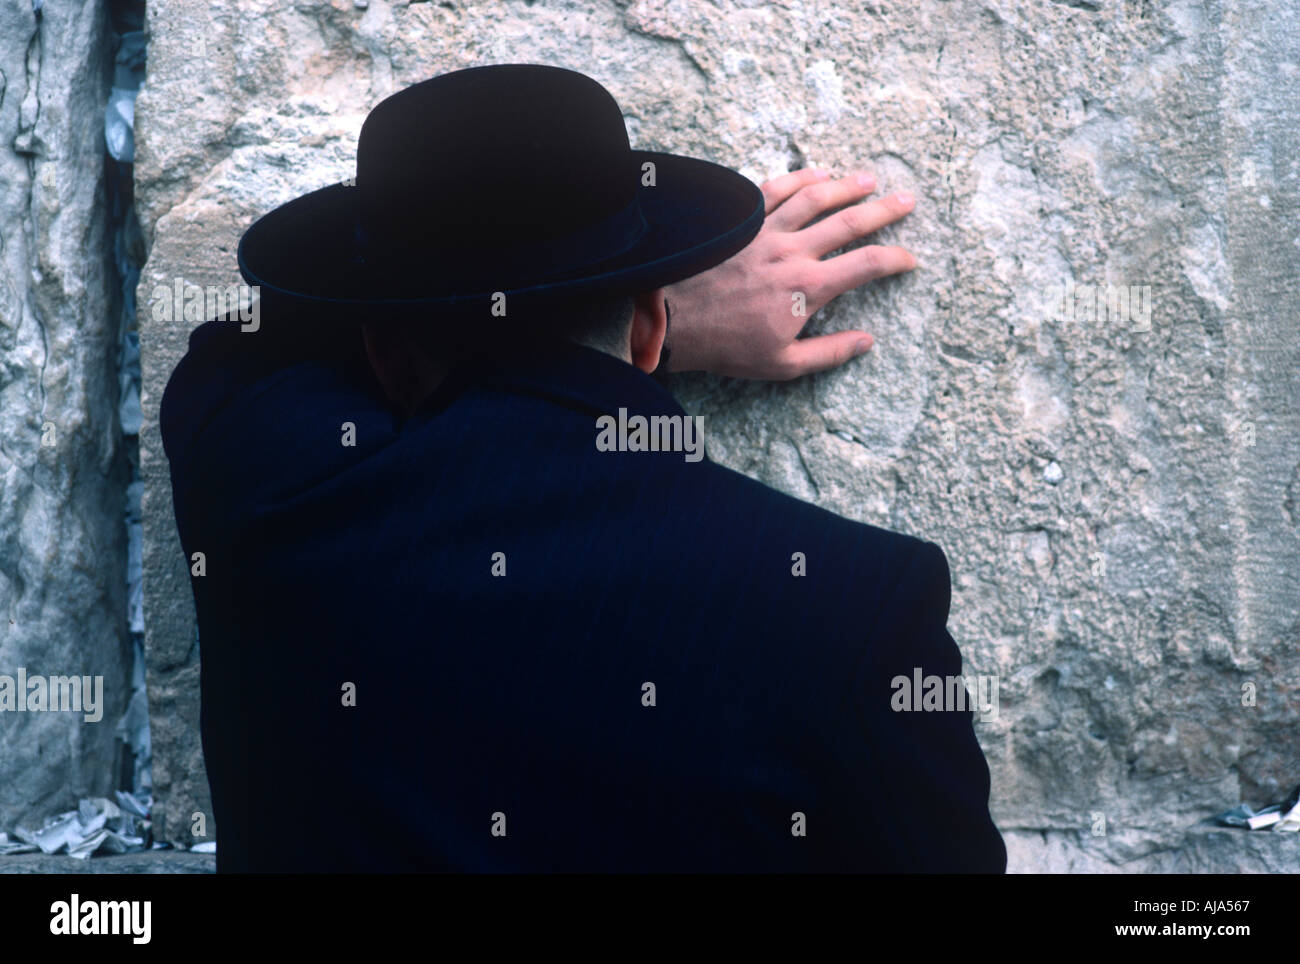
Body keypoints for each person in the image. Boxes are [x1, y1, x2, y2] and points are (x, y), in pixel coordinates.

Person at [160, 64, 1005, 872]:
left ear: (381, 352)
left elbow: (235, 351)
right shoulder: (857, 602)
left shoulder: (265, 495)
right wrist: (657, 311)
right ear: (645, 328)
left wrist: (664, 314)